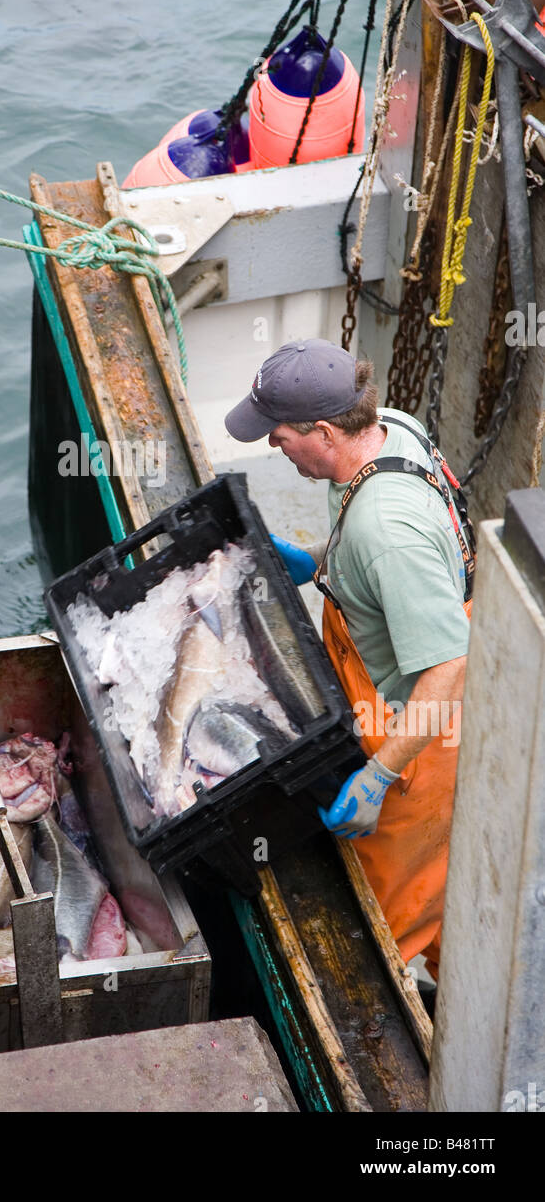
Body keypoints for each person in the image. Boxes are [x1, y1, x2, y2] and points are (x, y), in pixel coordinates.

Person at [225, 338, 474, 981]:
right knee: (441, 892)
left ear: (326, 431)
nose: (274, 449)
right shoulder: (391, 429)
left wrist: (379, 777)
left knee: (386, 924)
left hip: (422, 735)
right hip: (408, 636)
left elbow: (448, 669)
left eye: (278, 437)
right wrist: (321, 563)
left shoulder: (386, 533)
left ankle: (433, 1030)